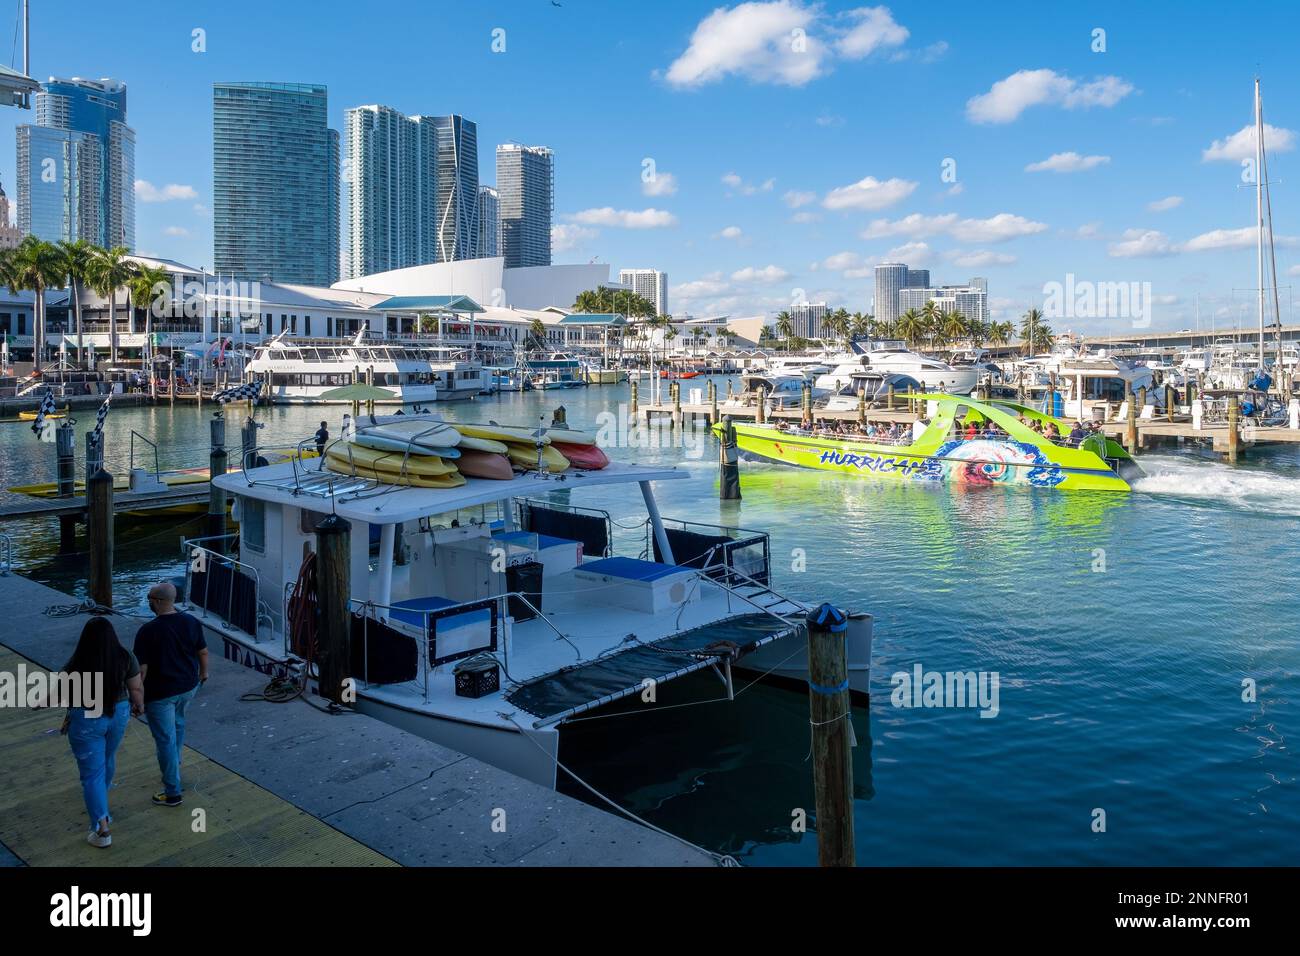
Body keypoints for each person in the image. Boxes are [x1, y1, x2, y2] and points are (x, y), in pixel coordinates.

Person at [62, 617, 144, 848]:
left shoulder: (77, 660)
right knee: (108, 758)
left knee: (91, 775)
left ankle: (102, 830)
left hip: (87, 718)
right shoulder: (125, 655)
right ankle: (103, 804)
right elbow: (135, 687)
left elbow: (63, 692)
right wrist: (139, 705)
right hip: (118, 713)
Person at [135, 582, 209, 808]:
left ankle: (172, 792)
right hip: (188, 687)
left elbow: (142, 670)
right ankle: (174, 768)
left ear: (156, 601)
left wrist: (136, 698)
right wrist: (203, 674)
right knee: (177, 726)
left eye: (149, 597)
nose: (147, 601)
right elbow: (202, 651)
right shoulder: (191, 621)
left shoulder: (147, 631)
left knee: (165, 740)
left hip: (160, 694)